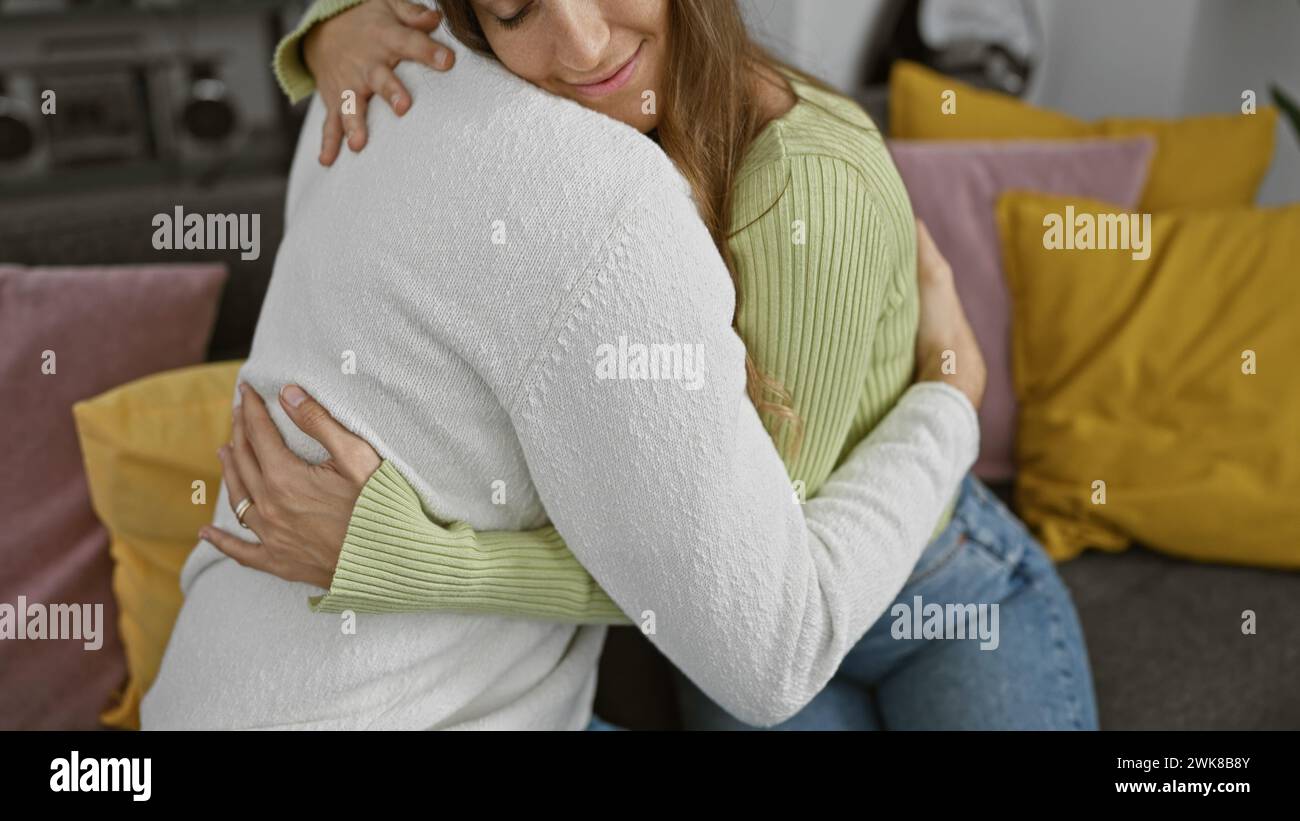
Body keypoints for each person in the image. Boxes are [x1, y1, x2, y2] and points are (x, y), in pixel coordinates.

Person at [155, 0, 1097, 730]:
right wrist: (333, 30)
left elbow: (754, 578)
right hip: (757, 617)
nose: (579, 48)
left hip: (925, 573)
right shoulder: (526, 121)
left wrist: (951, 400)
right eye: (517, 8)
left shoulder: (805, 183)